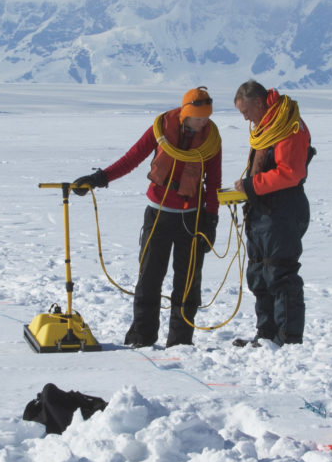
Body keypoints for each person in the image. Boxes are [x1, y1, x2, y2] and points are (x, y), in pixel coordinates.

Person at [70, 87, 225, 348]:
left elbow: (214, 181)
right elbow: (132, 158)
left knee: (188, 283)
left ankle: (180, 341)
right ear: (186, 114)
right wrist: (99, 178)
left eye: (207, 117)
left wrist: (211, 219)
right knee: (149, 278)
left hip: (192, 217)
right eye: (199, 118)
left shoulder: (211, 139)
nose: (204, 123)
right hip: (159, 213)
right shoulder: (161, 128)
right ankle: (141, 338)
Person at [222, 80, 313, 347]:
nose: (245, 118)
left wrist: (252, 185)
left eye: (246, 111)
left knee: (280, 273)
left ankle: (287, 339)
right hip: (262, 210)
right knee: (259, 271)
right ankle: (266, 335)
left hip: (283, 210)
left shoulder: (288, 125)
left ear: (260, 103)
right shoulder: (267, 126)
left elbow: (291, 172)